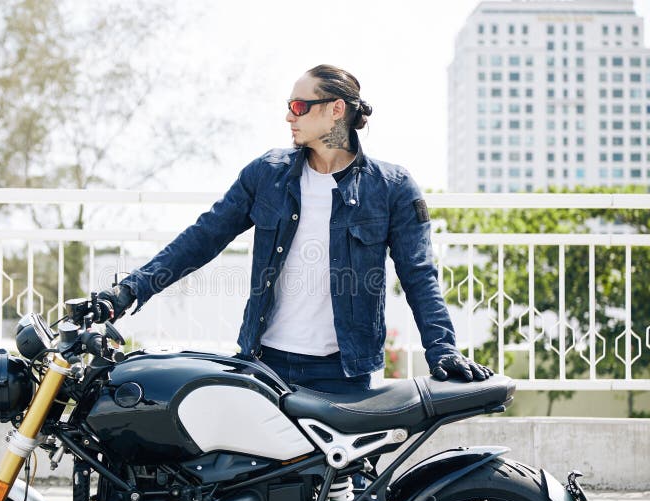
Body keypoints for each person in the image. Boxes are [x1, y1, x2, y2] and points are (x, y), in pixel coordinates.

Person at [100, 64, 492, 394]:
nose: (289, 116)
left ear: (336, 109)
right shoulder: (267, 175)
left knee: (346, 488)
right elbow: (204, 237)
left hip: (345, 373)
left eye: (300, 106)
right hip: (265, 365)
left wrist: (443, 350)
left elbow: (419, 274)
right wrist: (129, 290)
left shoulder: (391, 187)